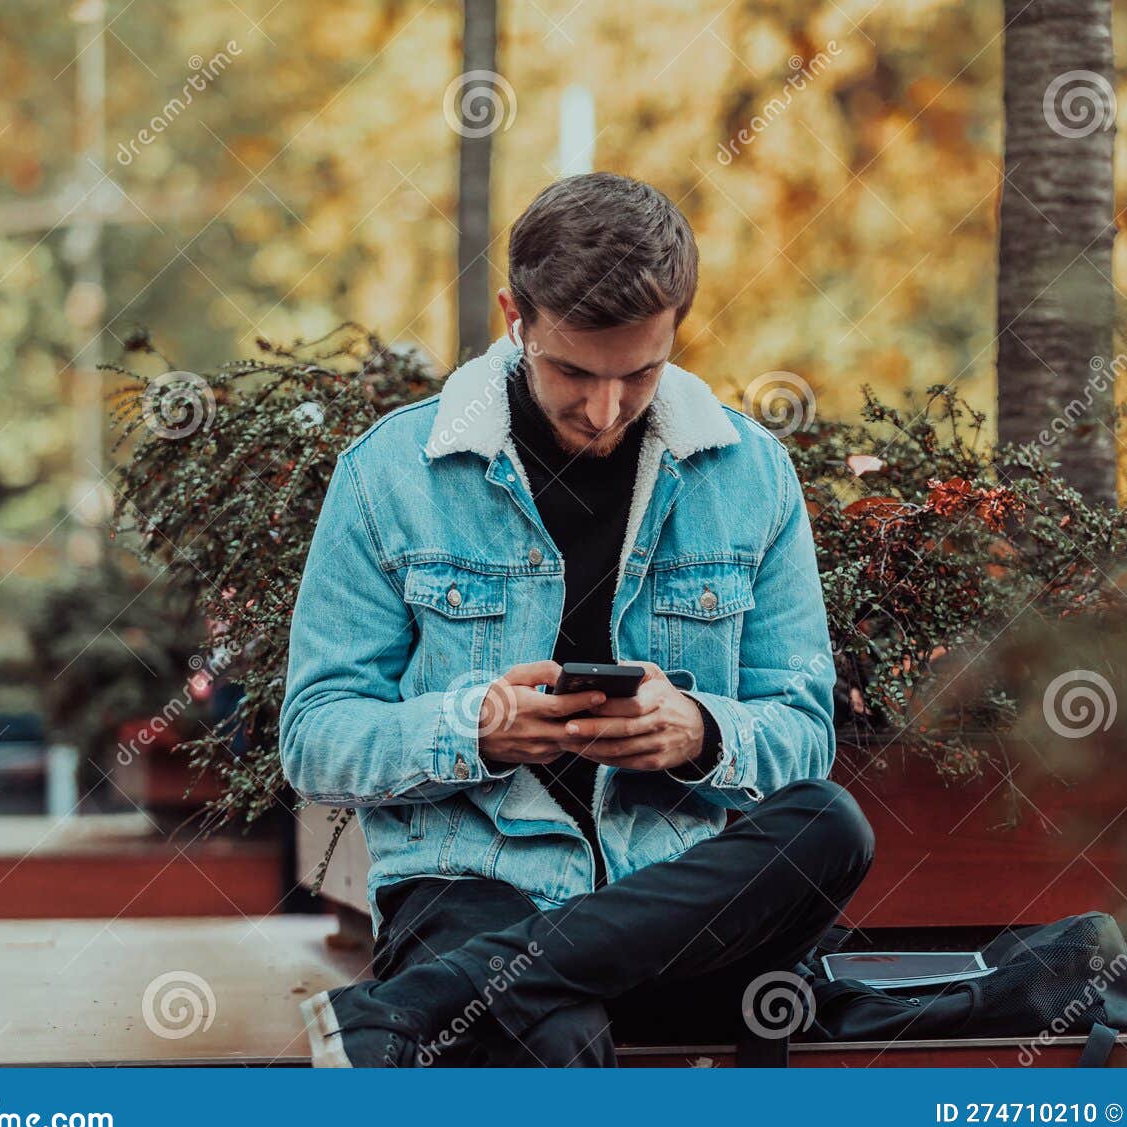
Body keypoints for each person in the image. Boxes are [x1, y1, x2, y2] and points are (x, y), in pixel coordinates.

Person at [279, 171, 873, 1067]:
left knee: (832, 822)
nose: (604, 409)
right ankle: (474, 982)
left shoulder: (752, 476)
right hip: (469, 883)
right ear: (515, 317)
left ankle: (411, 1006)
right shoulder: (390, 474)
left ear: (678, 326)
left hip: (673, 900)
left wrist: (699, 733)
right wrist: (474, 729)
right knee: (554, 1029)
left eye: (639, 373)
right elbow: (316, 738)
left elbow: (801, 730)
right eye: (572, 372)